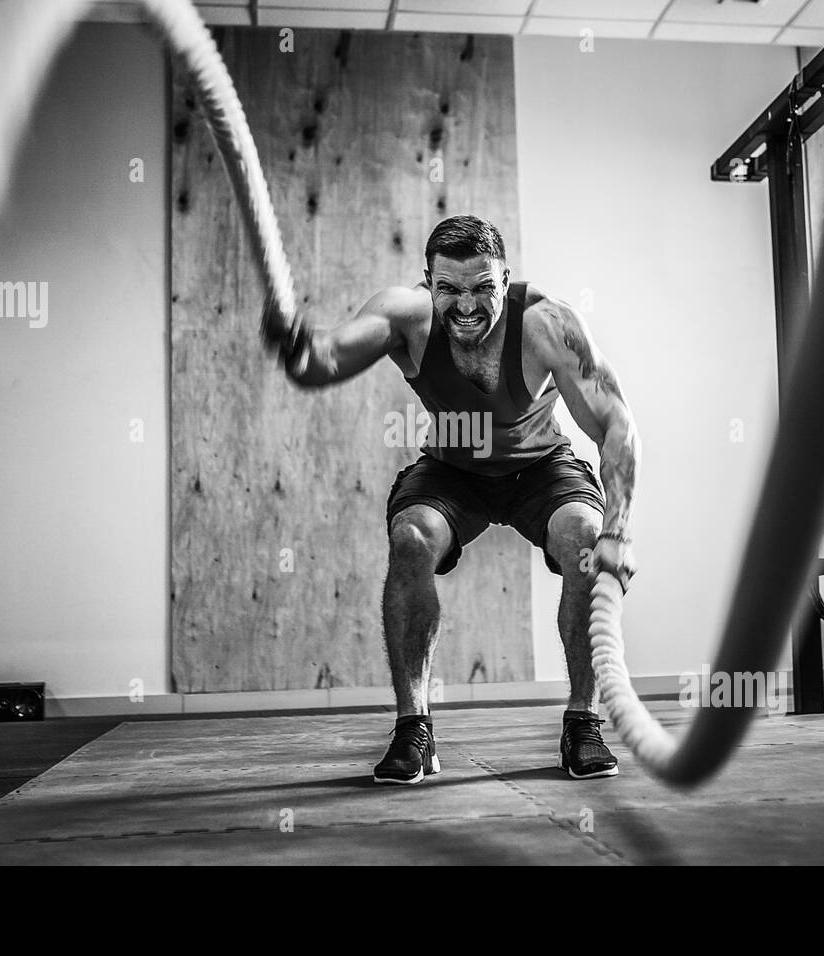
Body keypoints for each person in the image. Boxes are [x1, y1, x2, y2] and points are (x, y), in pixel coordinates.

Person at [266, 215, 639, 784]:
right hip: (453, 469)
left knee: (585, 539)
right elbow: (328, 360)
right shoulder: (405, 316)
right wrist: (297, 345)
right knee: (410, 537)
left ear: (506, 280)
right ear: (428, 283)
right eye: (449, 289)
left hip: (539, 467)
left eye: (483, 288)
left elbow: (617, 425)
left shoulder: (547, 325)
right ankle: (414, 730)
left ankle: (582, 724)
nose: (466, 305)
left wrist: (618, 530)